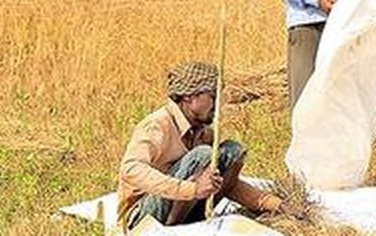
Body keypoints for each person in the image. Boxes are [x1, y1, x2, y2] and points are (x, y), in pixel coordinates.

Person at [117, 61, 282, 229]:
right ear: (189, 96)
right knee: (203, 155)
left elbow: (227, 184)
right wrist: (191, 189)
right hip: (143, 218)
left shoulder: (204, 132)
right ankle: (171, 230)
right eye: (213, 97)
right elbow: (130, 169)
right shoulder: (157, 125)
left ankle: (189, 224)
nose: (217, 105)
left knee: (233, 152)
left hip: (184, 206)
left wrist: (273, 205)